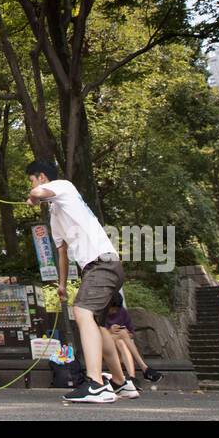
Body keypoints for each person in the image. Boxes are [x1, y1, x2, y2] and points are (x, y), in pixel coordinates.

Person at [26, 160, 138, 402]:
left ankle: (96, 384)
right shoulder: (56, 214)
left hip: (102, 263)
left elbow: (37, 193)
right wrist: (62, 284)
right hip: (98, 268)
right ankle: (121, 383)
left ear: (42, 177)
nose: (32, 185)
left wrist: (34, 196)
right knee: (97, 326)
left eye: (31, 179)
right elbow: (62, 253)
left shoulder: (64, 187)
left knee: (82, 311)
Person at [103, 291, 162, 384]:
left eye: (117, 309)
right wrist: (109, 331)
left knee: (121, 341)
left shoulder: (122, 312)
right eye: (113, 309)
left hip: (120, 349)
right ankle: (144, 368)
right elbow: (98, 335)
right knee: (122, 334)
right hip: (105, 345)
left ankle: (132, 377)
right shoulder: (102, 313)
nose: (115, 311)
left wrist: (127, 333)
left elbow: (132, 334)